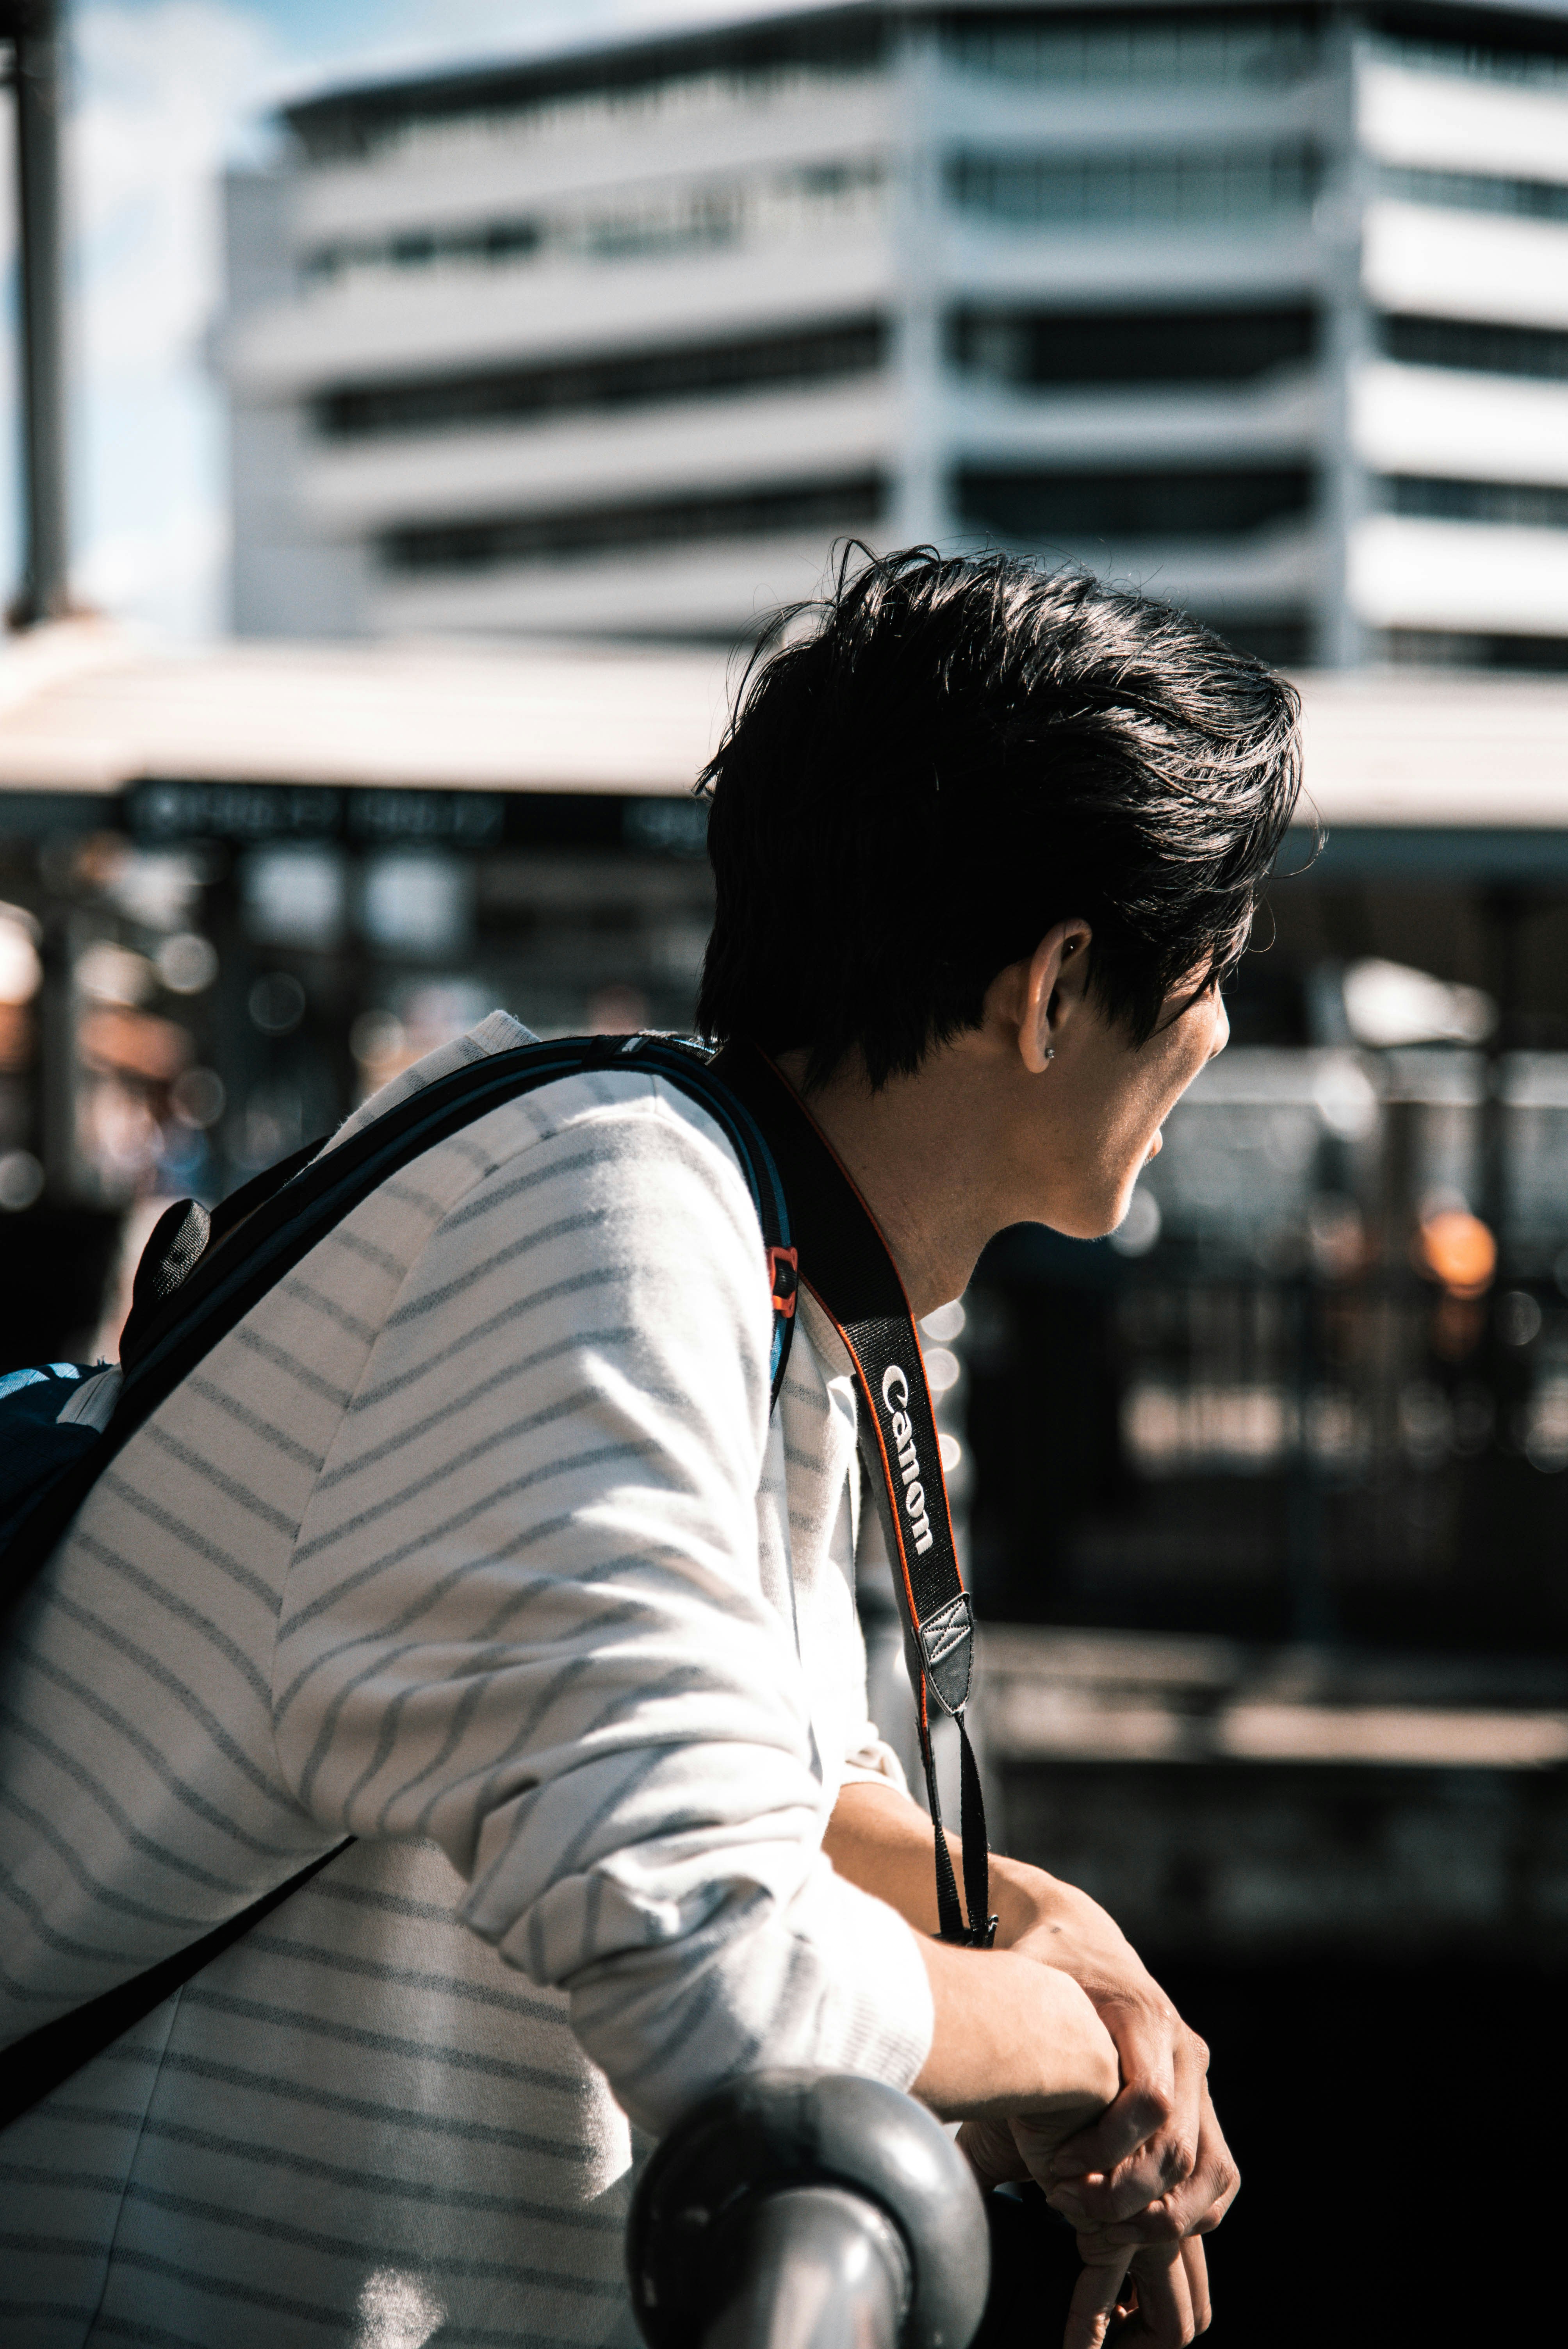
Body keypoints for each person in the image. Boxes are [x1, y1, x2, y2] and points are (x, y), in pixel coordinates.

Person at [0, 547, 1300, 2349]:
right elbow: (724, 1964)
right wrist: (1087, 2051)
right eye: (1211, 970)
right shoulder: (603, 1206)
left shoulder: (752, 1245)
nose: (1218, 1033)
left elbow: (725, 1756)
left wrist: (1014, 1911)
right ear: (1055, 984)